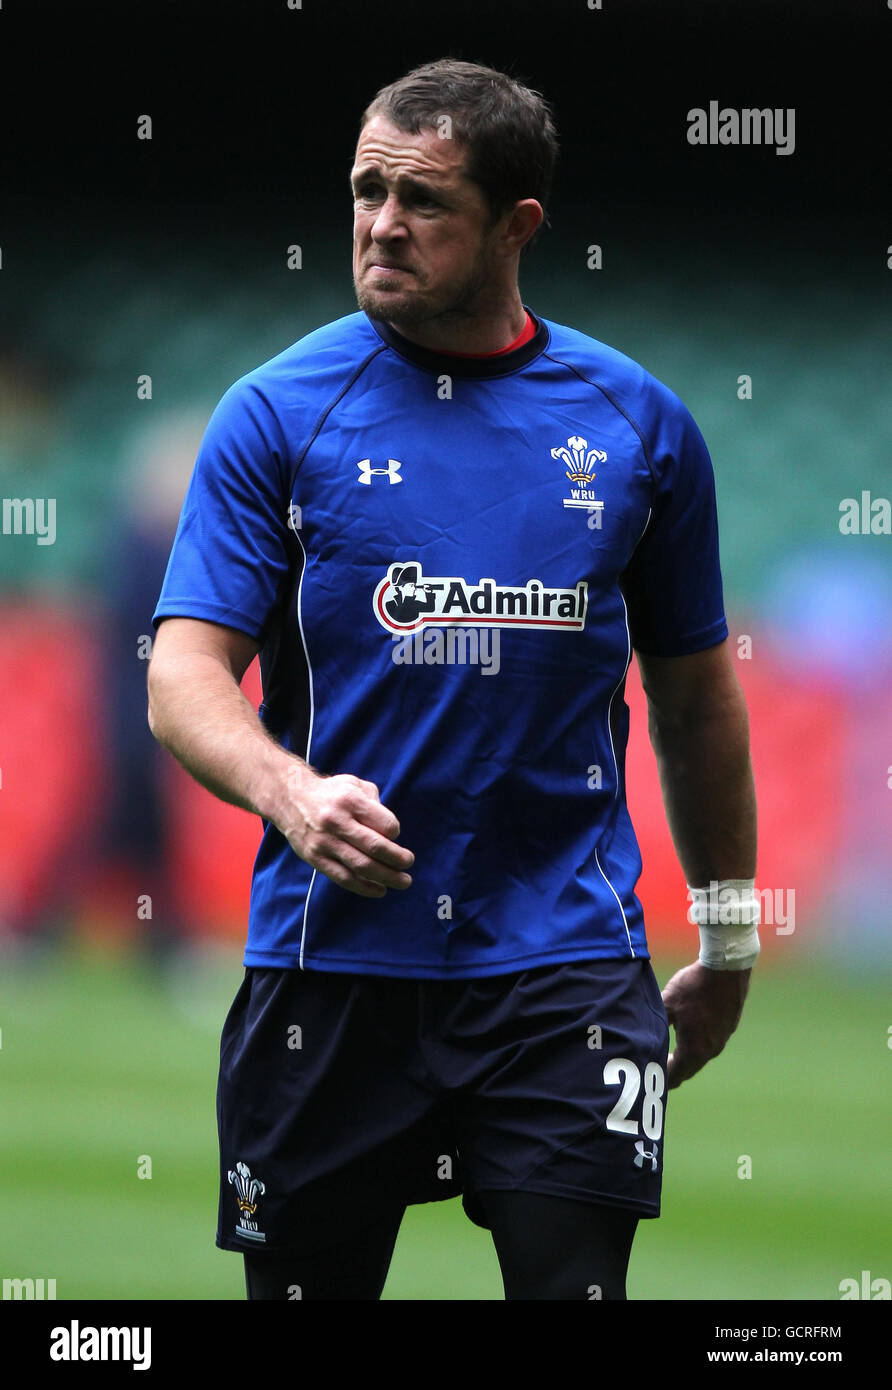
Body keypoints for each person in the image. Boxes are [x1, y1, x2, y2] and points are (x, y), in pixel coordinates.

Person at [147, 57, 760, 1301]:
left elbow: (697, 702)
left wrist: (733, 935)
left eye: (421, 200)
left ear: (517, 225)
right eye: (365, 189)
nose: (380, 223)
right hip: (329, 970)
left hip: (564, 968)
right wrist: (289, 792)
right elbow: (182, 673)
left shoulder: (637, 426)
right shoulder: (276, 412)